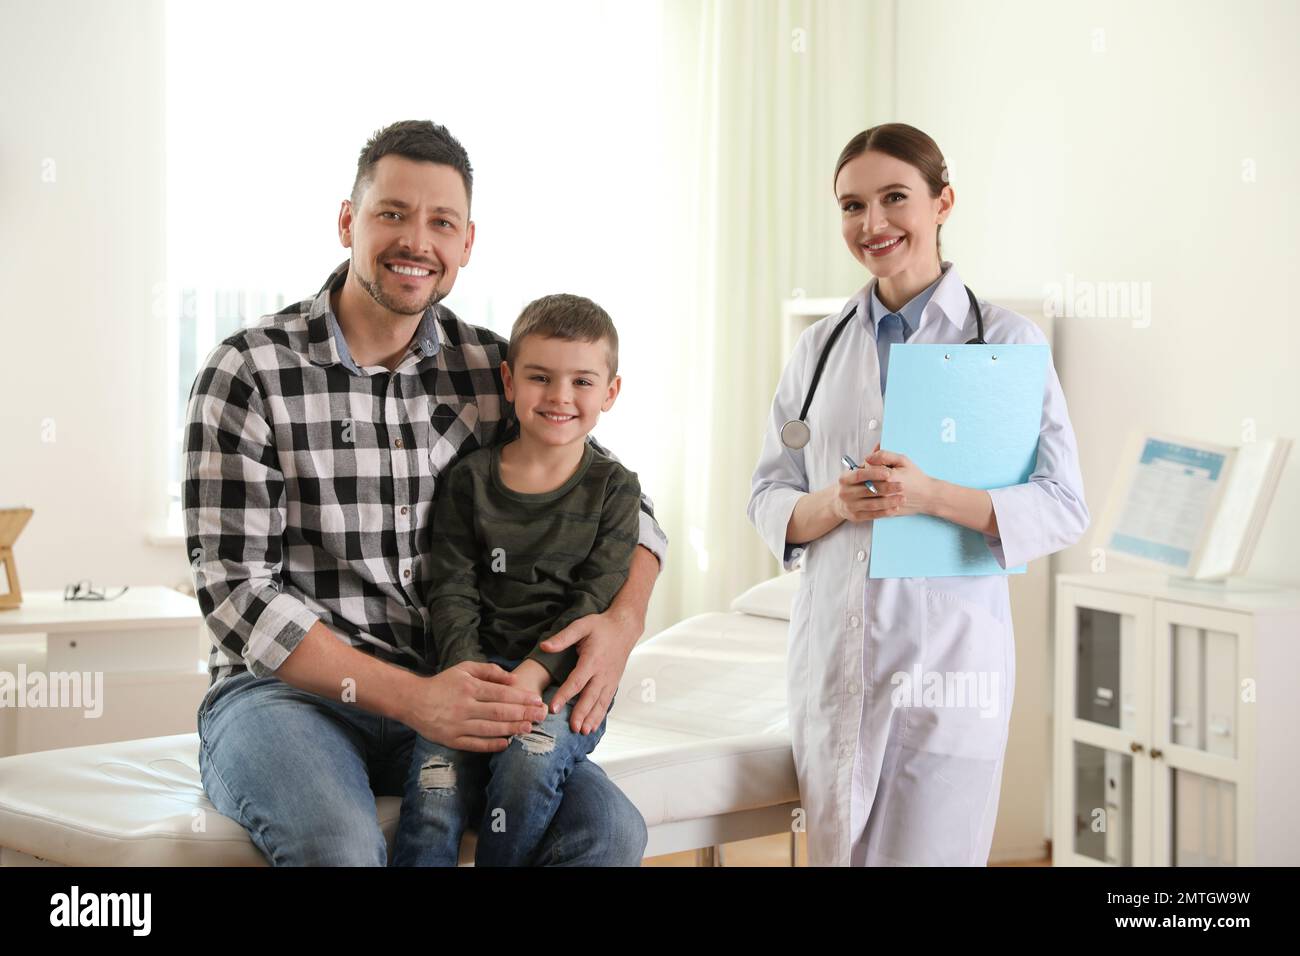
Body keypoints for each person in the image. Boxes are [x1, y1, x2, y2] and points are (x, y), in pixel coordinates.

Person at [185, 120, 666, 866]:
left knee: (610, 832)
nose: (417, 240)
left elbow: (627, 510)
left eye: (441, 222)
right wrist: (414, 698)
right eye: (392, 214)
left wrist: (624, 620)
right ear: (348, 221)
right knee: (339, 846)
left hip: (459, 695)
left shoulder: (497, 369)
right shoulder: (248, 372)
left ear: (467, 243)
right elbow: (236, 594)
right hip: (290, 700)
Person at [747, 123, 1088, 866]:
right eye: (851, 206)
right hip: (832, 667)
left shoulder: (1005, 341)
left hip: (950, 668)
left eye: (894, 198)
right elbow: (770, 493)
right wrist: (835, 504)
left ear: (943, 203)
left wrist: (931, 495)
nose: (872, 224)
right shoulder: (818, 347)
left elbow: (1063, 502)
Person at [393, 294, 639, 866]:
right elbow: (451, 589)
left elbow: (595, 596)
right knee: (436, 786)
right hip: (470, 673)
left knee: (529, 762)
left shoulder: (615, 489)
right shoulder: (470, 481)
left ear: (610, 392)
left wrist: (533, 674)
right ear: (509, 381)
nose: (559, 397)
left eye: (582, 381)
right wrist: (467, 675)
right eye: (540, 378)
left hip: (561, 684)